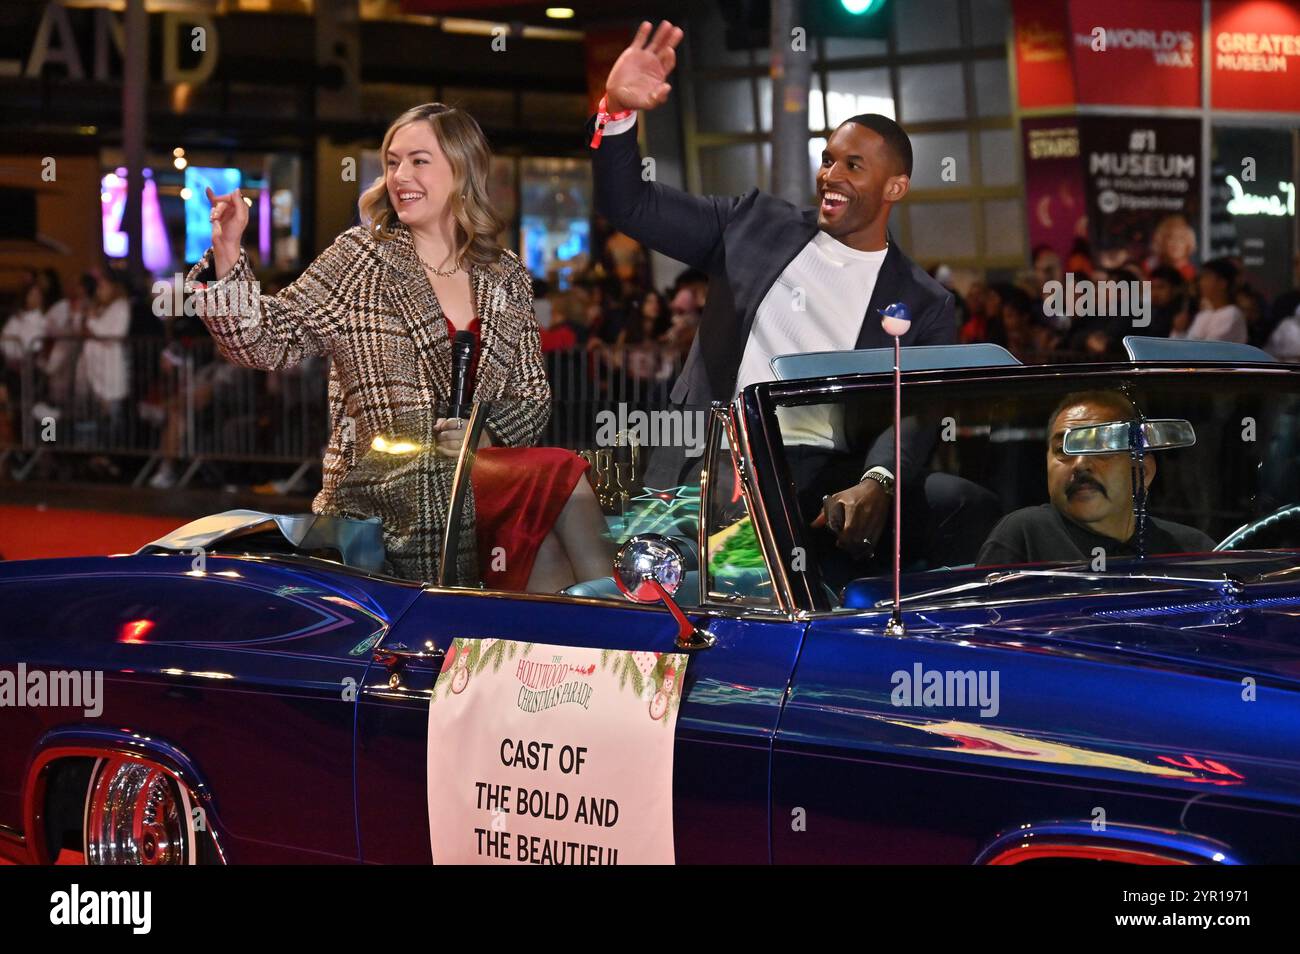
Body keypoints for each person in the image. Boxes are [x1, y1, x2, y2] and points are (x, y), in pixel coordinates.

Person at [190, 102, 613, 589]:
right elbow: (265, 342)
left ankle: (589, 651)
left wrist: (482, 434)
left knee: (553, 542)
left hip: (478, 479)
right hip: (387, 492)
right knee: (558, 485)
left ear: (461, 169)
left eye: (419, 160)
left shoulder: (506, 272)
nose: (400, 175)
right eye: (392, 162)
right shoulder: (362, 257)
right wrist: (227, 254)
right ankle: (633, 636)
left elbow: (532, 396)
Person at [592, 20, 956, 557]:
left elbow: (918, 411)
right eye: (828, 158)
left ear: (894, 187)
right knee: (643, 598)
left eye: (853, 165)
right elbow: (631, 204)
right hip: (697, 460)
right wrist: (618, 113)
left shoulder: (926, 302)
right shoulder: (752, 223)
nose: (830, 174)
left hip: (804, 486)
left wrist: (878, 481)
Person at [977, 390, 1213, 566]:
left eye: (1101, 447)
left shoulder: (1191, 550)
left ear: (1143, 471)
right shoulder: (1023, 537)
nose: (1080, 464)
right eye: (1063, 449)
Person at [1172, 258, 1246, 343]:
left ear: (1222, 283)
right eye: (1201, 278)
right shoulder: (1204, 314)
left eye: (1207, 277)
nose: (1201, 283)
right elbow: (1185, 346)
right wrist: (1178, 331)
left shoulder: (1232, 314)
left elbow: (1209, 350)